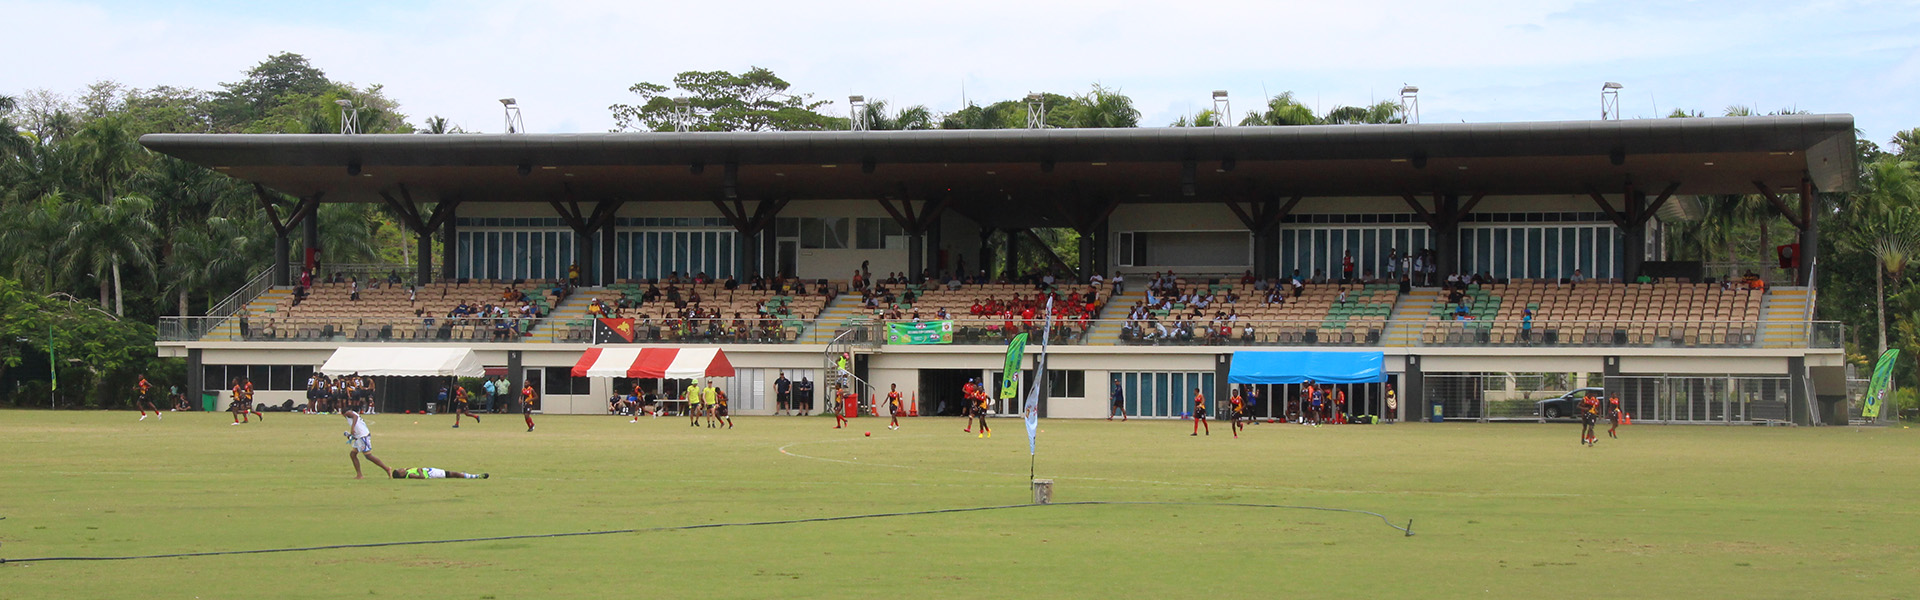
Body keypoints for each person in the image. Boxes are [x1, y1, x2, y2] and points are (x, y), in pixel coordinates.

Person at [342, 410, 391, 479]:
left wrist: (352, 428)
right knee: (353, 454)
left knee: (368, 456)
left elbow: (355, 417)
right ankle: (359, 475)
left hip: (363, 436)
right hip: (359, 437)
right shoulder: (351, 414)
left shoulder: (348, 413)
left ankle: (387, 469)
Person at [392, 467, 488, 479]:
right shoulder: (410, 475)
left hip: (431, 470)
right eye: (400, 471)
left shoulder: (408, 471)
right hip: (431, 474)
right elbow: (422, 477)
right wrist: (420, 471)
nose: (402, 469)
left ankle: (464, 475)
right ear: (401, 475)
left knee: (452, 473)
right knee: (453, 473)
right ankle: (475, 476)